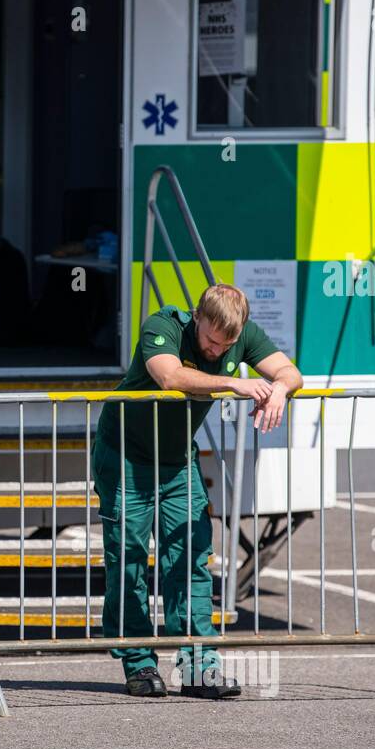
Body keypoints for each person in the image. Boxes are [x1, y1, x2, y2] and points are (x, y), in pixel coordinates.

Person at [94, 283, 302, 698]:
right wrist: (235, 385)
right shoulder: (163, 326)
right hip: (126, 457)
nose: (217, 349)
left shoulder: (242, 335)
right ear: (198, 318)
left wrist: (279, 389)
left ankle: (199, 667)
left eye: (227, 343)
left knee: (191, 558)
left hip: (176, 462)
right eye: (210, 340)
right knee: (130, 560)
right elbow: (170, 376)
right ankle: (138, 663)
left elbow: (291, 371)